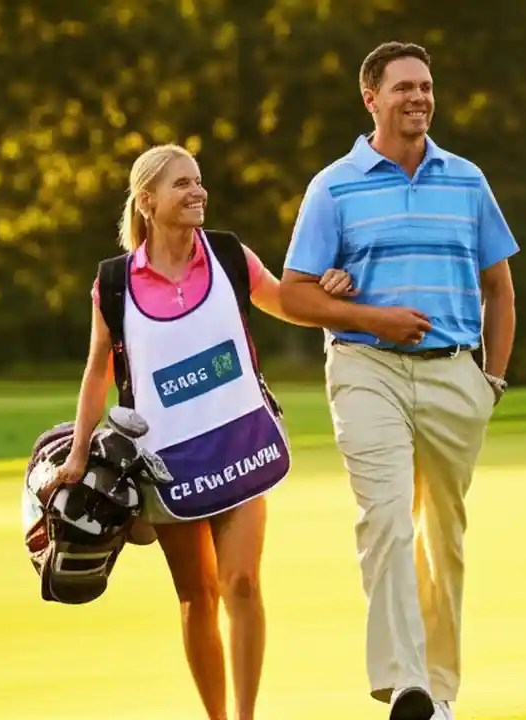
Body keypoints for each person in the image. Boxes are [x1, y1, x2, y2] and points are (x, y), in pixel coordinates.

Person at [53, 143, 354, 720]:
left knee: (241, 583)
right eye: (181, 184)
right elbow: (99, 371)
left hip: (242, 444)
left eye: (198, 181)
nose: (197, 192)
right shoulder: (114, 283)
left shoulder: (227, 254)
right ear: (147, 201)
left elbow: (284, 301)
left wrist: (329, 288)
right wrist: (76, 453)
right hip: (166, 465)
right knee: (197, 596)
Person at [279, 41, 519, 720]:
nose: (418, 98)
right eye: (404, 87)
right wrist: (368, 317)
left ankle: (439, 695)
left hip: (454, 375)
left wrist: (491, 382)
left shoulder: (467, 180)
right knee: (385, 520)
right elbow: (296, 295)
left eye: (426, 86)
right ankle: (407, 685)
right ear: (371, 98)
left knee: (441, 536)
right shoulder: (334, 186)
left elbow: (500, 288)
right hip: (365, 369)